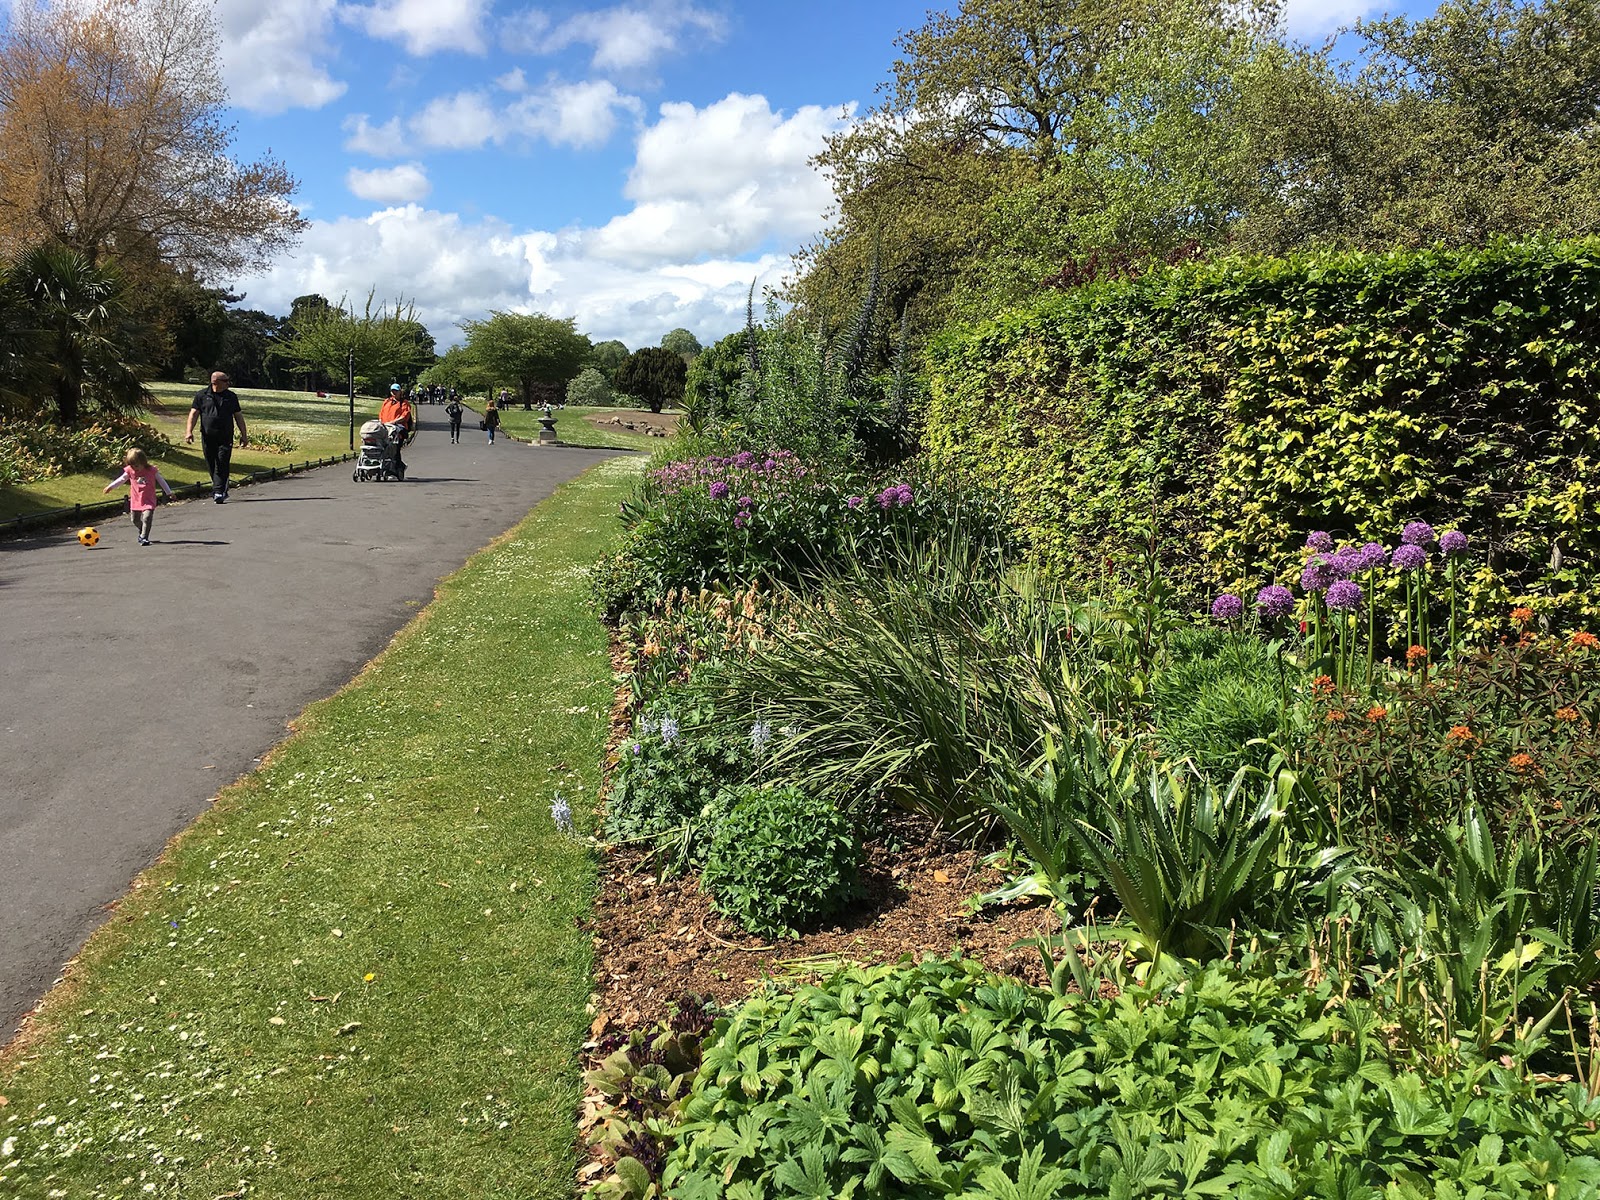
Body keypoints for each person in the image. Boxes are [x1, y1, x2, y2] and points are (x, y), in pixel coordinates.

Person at [185, 371, 248, 503]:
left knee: (222, 462)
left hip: (225, 436)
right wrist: (189, 431)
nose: (228, 383)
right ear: (216, 382)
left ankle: (219, 491)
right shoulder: (202, 395)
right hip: (208, 436)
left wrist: (244, 435)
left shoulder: (231, 397)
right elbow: (193, 414)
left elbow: (238, 416)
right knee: (211, 463)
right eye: (225, 381)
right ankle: (219, 487)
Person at [103, 448, 174, 545]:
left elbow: (161, 481)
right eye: (131, 465)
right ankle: (142, 529)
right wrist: (110, 487)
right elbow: (122, 479)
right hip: (136, 499)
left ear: (143, 462)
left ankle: (144, 537)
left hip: (148, 498)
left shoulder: (152, 470)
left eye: (136, 465)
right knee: (135, 519)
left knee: (147, 517)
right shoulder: (130, 471)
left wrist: (169, 492)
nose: (134, 468)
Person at [378, 384, 415, 478]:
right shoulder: (387, 401)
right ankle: (398, 466)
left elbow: (405, 415)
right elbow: (381, 413)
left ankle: (394, 470)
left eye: (396, 391)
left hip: (398, 429)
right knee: (385, 449)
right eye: (392, 391)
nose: (393, 392)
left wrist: (394, 422)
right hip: (386, 428)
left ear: (400, 392)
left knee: (395, 449)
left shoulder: (404, 403)